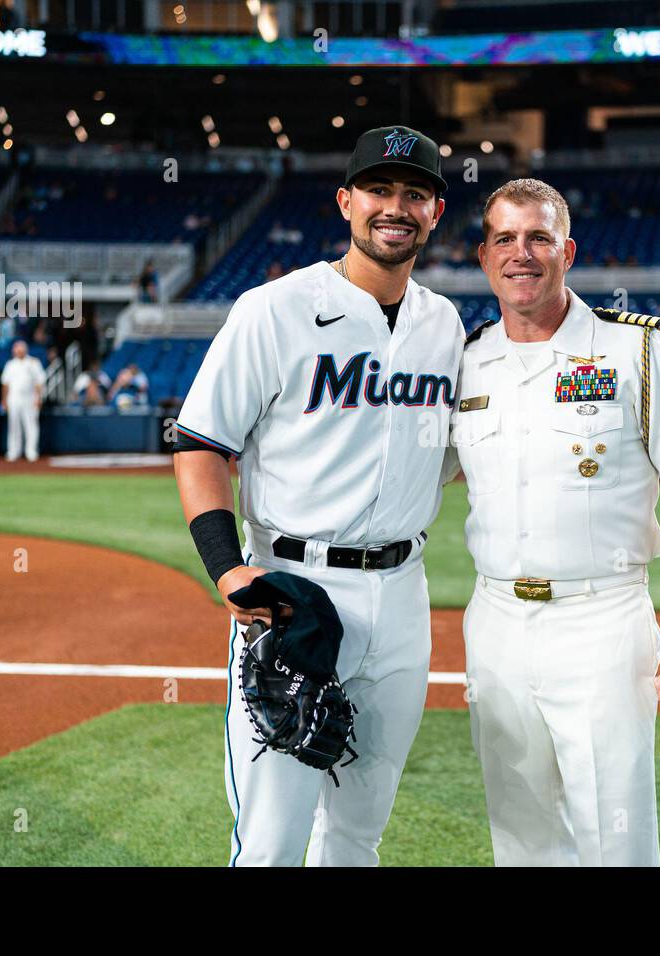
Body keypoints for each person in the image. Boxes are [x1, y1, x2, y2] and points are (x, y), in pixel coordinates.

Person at [172, 125, 462, 867]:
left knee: (358, 835)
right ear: (345, 201)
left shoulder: (445, 326)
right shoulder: (273, 309)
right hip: (295, 593)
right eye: (379, 189)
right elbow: (202, 443)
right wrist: (227, 568)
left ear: (434, 212)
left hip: (403, 597)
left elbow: (452, 455)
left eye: (415, 193)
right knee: (271, 842)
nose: (395, 207)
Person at [448, 179, 660, 866]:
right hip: (493, 625)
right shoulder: (465, 360)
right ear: (485, 256)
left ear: (567, 251)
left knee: (616, 836)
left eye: (539, 237)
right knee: (520, 837)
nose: (523, 253)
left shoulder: (634, 350)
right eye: (506, 239)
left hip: (600, 624)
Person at [1, 339, 45, 462]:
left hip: (29, 397)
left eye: (21, 348)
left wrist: (38, 398)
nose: (19, 351)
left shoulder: (33, 362)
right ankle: (13, 451)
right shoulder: (10, 364)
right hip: (14, 398)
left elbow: (39, 382)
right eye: (17, 348)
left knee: (31, 424)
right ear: (14, 351)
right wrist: (4, 400)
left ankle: (31, 451)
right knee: (14, 425)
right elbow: (5, 384)